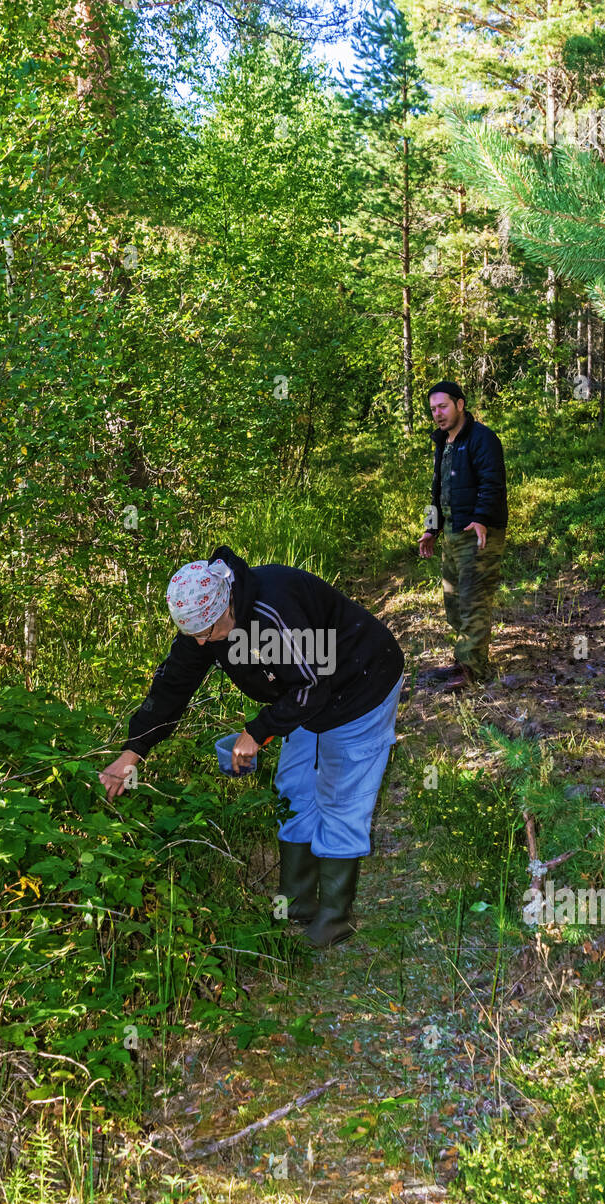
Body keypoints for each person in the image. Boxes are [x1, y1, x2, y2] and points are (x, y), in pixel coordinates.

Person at [99, 545, 405, 949]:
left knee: (340, 798)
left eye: (207, 634)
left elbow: (313, 684)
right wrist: (132, 751)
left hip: (360, 682)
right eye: (193, 637)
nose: (203, 645)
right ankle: (297, 903)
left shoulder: (272, 611)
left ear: (227, 609)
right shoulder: (203, 624)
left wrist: (257, 732)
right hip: (306, 697)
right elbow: (173, 686)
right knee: (294, 789)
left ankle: (334, 919)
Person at [418, 381, 509, 690]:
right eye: (432, 409)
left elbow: (492, 483)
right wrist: (432, 528)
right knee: (454, 601)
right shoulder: (443, 441)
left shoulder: (482, 439)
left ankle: (473, 670)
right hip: (453, 535)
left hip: (479, 533)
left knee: (474, 601)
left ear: (460, 404)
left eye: (442, 406)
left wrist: (481, 518)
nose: (437, 414)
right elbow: (437, 489)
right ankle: (463, 660)